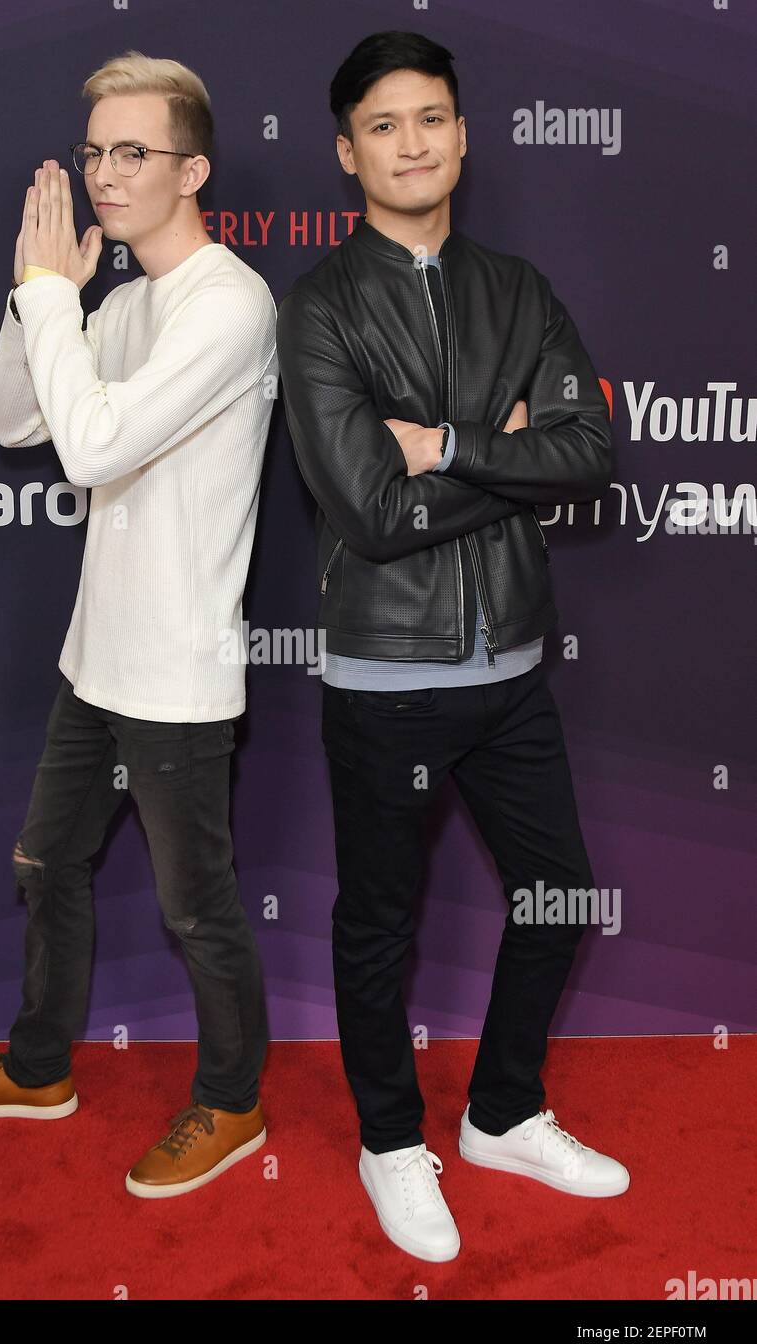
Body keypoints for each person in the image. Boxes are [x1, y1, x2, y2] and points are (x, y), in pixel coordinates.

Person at [275, 30, 629, 1262]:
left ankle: (503, 1110)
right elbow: (370, 514)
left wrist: (446, 444)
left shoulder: (519, 290)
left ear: (464, 136)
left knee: (562, 892)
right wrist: (507, 450)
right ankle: (389, 1143)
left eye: (431, 119)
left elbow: (589, 452)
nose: (411, 142)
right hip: (387, 683)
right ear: (346, 151)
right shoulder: (316, 309)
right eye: (384, 124)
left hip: (513, 669)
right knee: (379, 922)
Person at [0, 50, 278, 1200]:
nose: (106, 176)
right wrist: (44, 298)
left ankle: (231, 1103)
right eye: (94, 153)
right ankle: (38, 1070)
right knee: (44, 863)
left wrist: (47, 301)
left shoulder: (232, 303)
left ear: (193, 168)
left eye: (134, 152)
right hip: (96, 661)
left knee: (195, 906)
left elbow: (98, 448)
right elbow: (18, 418)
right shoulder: (118, 303)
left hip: (175, 674)